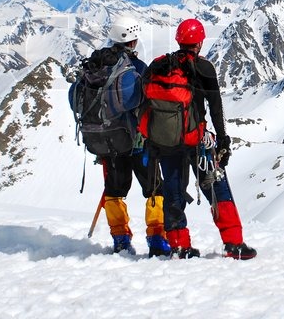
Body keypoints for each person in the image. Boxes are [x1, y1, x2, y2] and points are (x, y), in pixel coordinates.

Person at [142, 18, 256, 260]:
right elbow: (215, 107)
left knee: (173, 190)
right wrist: (223, 139)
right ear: (200, 42)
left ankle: (179, 245)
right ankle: (233, 243)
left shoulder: (158, 66)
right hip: (197, 141)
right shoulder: (204, 68)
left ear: (179, 40)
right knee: (217, 186)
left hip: (166, 141)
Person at [92, 15, 171, 257]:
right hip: (138, 141)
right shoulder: (137, 69)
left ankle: (120, 239)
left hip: (109, 142)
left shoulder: (97, 65)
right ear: (133, 41)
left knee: (115, 191)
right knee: (155, 189)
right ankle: (157, 238)